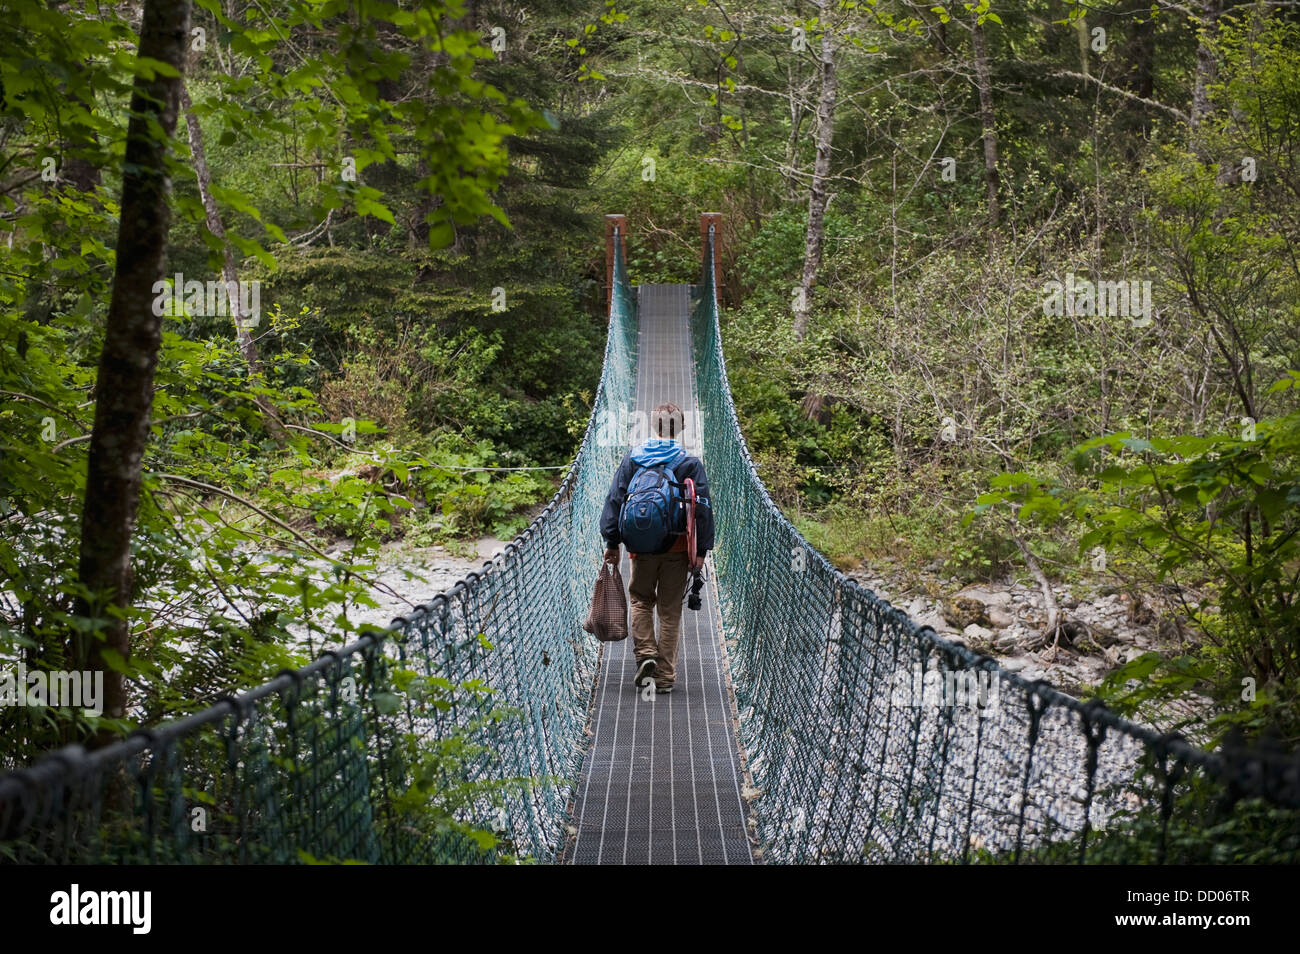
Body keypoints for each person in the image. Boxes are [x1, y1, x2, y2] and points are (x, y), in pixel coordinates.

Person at [599, 403, 714, 694]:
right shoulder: (689, 462)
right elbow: (703, 509)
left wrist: (612, 542)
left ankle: (646, 653)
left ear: (654, 425)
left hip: (641, 547)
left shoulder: (633, 459)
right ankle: (663, 678)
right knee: (670, 611)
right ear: (681, 428)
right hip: (676, 548)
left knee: (640, 600)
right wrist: (701, 551)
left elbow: (615, 500)